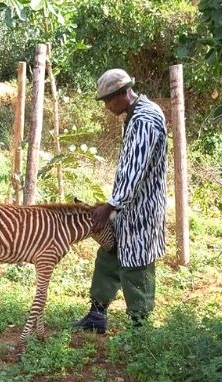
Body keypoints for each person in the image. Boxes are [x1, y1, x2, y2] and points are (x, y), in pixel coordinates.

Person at [70, 68, 168, 333]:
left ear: (124, 93)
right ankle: (96, 316)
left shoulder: (144, 120)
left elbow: (135, 170)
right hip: (127, 208)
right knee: (109, 254)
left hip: (142, 210)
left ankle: (141, 327)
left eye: (109, 100)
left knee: (137, 265)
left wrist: (110, 206)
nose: (107, 107)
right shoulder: (135, 115)